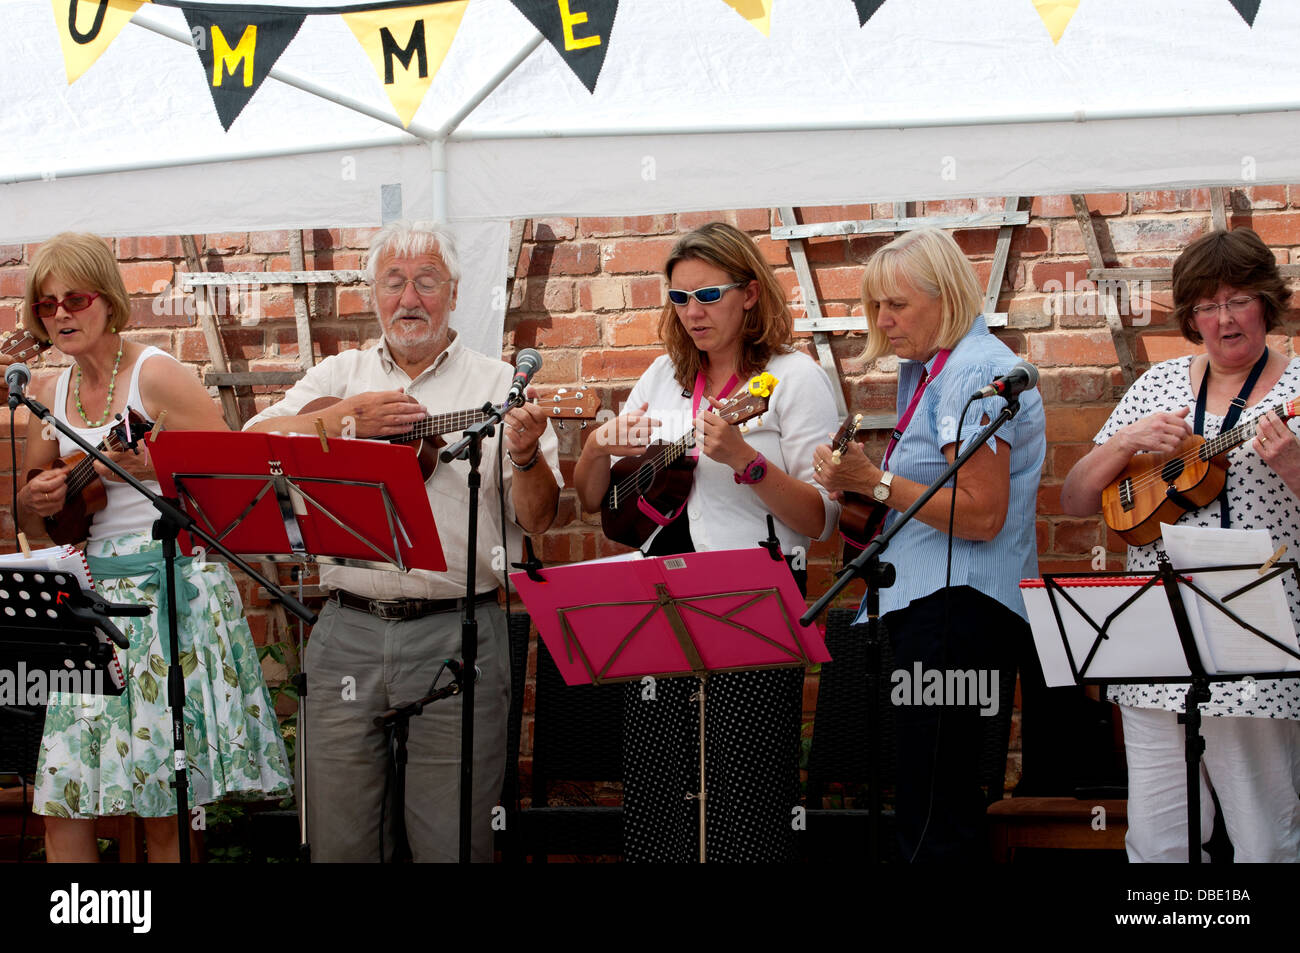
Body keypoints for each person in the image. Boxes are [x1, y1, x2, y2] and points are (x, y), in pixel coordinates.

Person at [244, 220, 561, 862]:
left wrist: (524, 456)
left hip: (459, 631)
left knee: (453, 843)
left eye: (426, 281)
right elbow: (254, 443)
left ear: (452, 293)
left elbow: (539, 521)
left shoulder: (499, 387)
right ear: (374, 294)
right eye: (394, 282)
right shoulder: (341, 373)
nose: (409, 298)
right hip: (346, 630)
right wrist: (343, 419)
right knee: (340, 840)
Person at [17, 231, 292, 862]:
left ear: (109, 300)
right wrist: (33, 501)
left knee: (164, 806)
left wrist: (144, 469)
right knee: (63, 798)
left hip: (162, 595)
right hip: (83, 600)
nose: (61, 314)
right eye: (47, 305)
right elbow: (33, 515)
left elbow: (231, 472)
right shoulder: (49, 397)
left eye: (75, 299)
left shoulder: (156, 373)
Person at [573, 221, 840, 862]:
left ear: (750, 294)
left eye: (708, 295)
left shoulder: (792, 378)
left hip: (750, 599)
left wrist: (747, 460)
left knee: (744, 793)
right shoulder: (664, 376)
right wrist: (594, 446)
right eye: (679, 298)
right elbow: (594, 502)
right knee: (658, 789)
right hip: (656, 595)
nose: (693, 312)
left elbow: (822, 520)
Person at [1061, 227, 1300, 862]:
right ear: (1190, 316)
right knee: (1157, 835)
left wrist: (1294, 467)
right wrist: (1122, 443)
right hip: (1155, 630)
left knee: (1264, 835)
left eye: (1239, 299)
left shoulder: (1294, 386)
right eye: (1206, 305)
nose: (1224, 319)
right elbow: (1077, 500)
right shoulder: (1158, 385)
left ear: (1267, 304)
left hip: (1254, 631)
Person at [811, 227, 1045, 862]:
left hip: (955, 610)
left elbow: (981, 513)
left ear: (947, 297)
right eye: (876, 307)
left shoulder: (974, 368)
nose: (883, 321)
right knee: (925, 792)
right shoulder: (931, 367)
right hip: (937, 607)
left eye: (897, 304)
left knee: (936, 803)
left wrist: (872, 481)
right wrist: (861, 487)